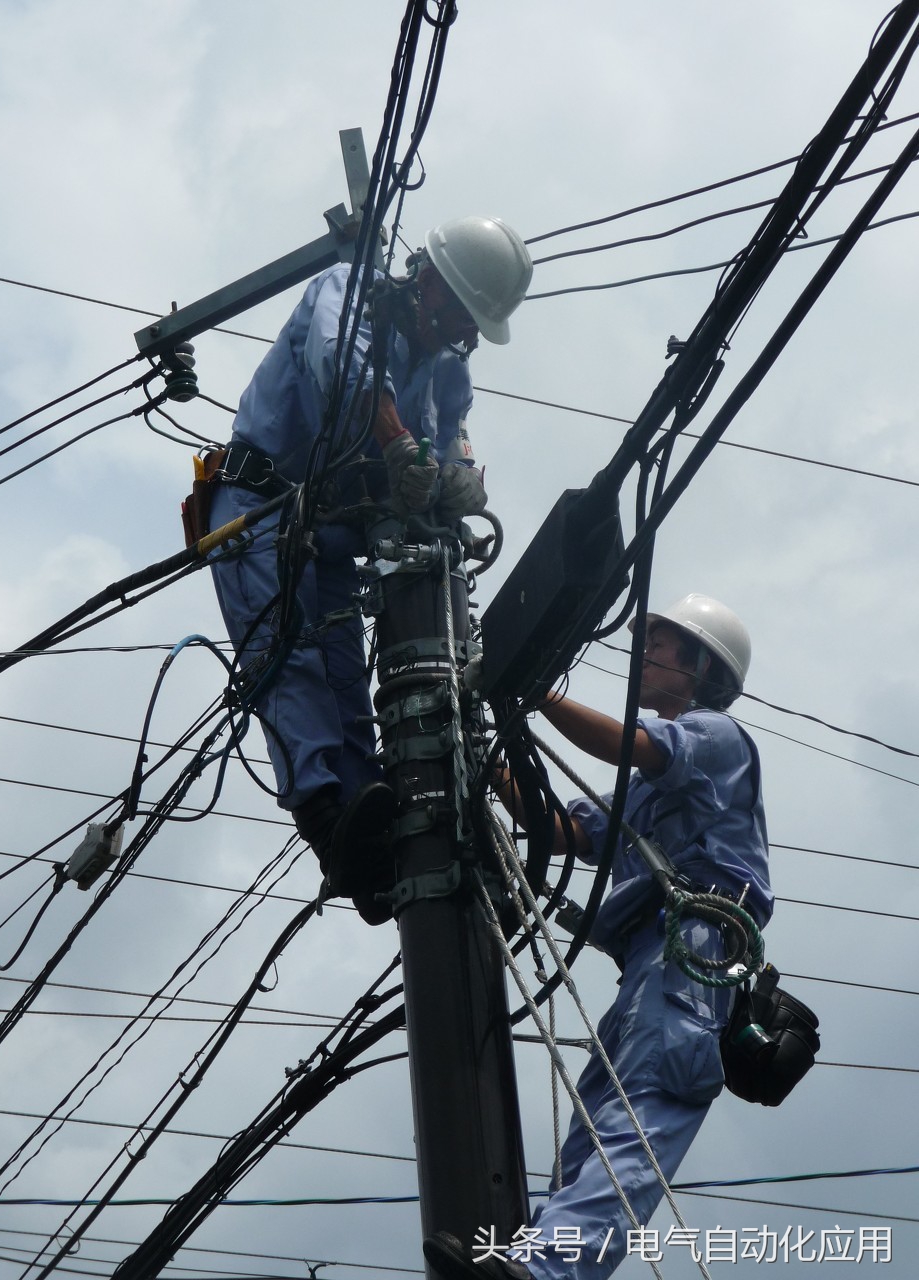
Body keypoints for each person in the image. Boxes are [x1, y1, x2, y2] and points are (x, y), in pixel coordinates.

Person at [425, 593, 773, 1278]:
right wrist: (471, 745)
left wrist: (533, 691)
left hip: (696, 945)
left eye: (661, 643)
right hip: (652, 958)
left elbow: (627, 745)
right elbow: (562, 827)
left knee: (646, 1100)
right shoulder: (639, 784)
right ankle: (535, 1259)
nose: (643, 651)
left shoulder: (712, 737)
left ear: (700, 664)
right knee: (593, 1127)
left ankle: (550, 1270)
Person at [208, 216, 533, 922]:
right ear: (427, 283)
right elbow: (348, 376)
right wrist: (402, 452)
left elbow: (449, 448)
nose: (463, 337)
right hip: (258, 510)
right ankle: (328, 823)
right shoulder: (346, 291)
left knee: (347, 680)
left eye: (475, 327)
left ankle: (373, 837)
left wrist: (456, 479)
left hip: (328, 534)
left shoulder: (447, 369)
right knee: (284, 661)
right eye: (460, 316)